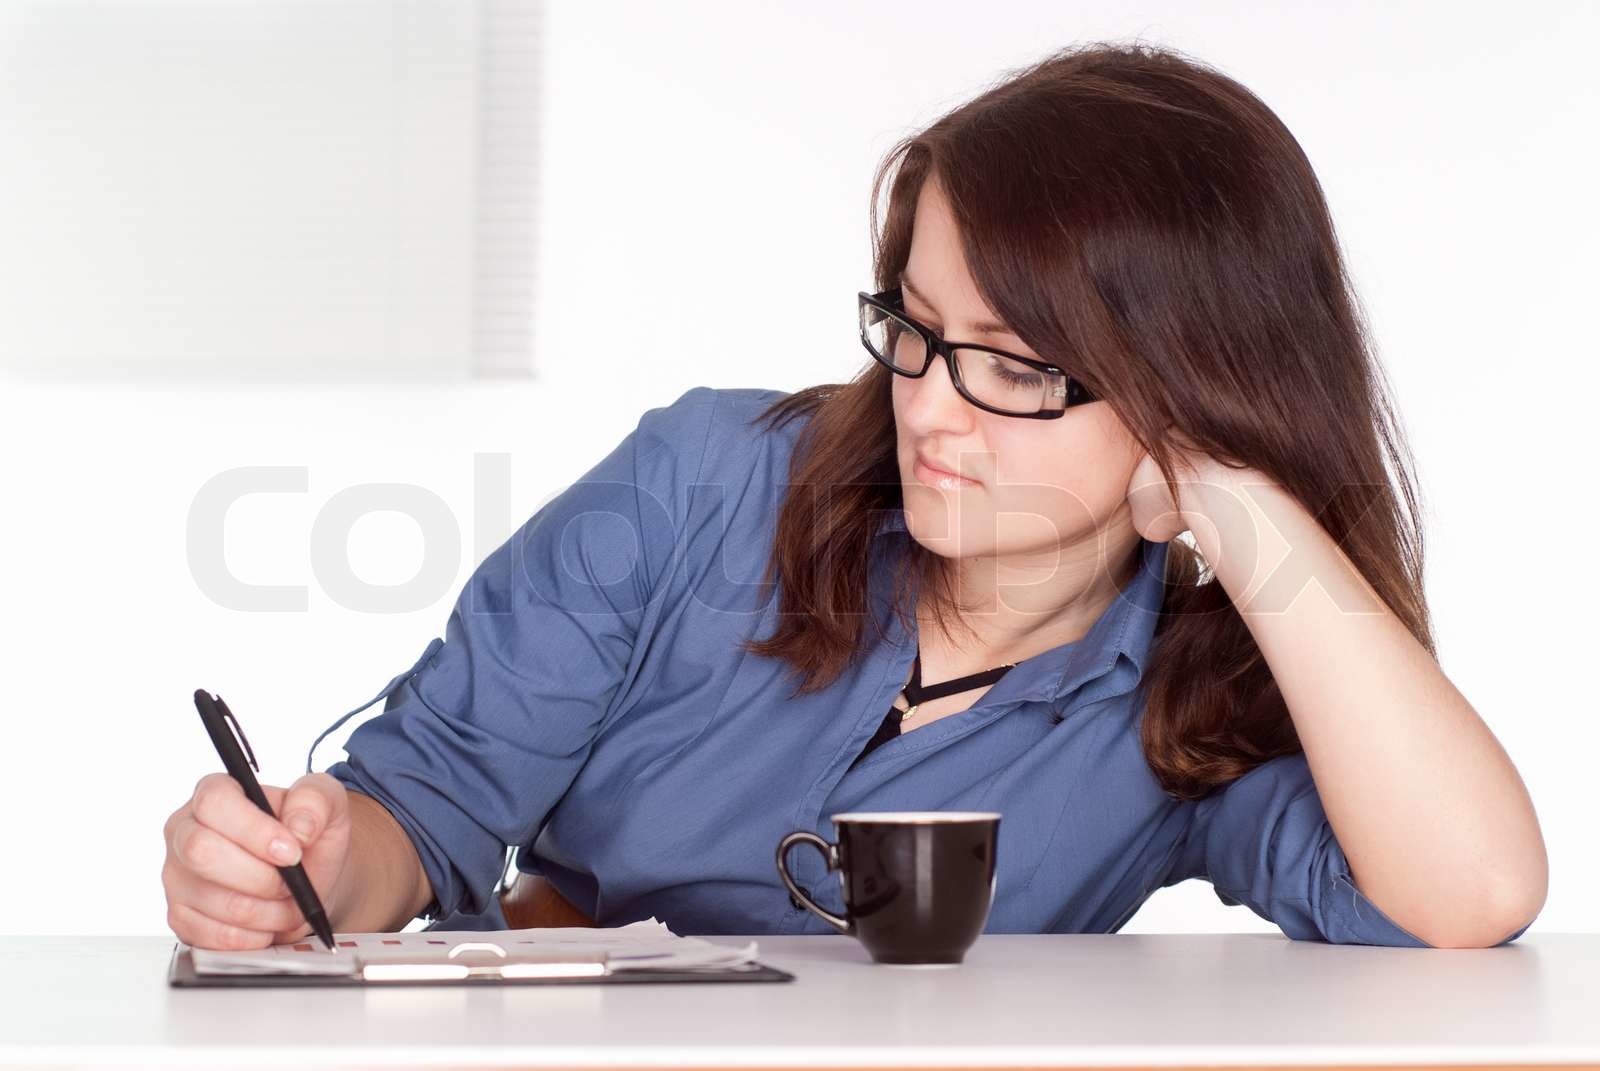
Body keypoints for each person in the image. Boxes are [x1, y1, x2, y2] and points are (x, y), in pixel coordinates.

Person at [161, 41, 1547, 952]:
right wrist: (316, 871)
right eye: (919, 330)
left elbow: (1470, 898)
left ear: (1187, 396)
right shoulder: (701, 482)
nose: (932, 404)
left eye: (1018, 369)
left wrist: (1244, 504)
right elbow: (428, 804)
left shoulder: (1193, 713)